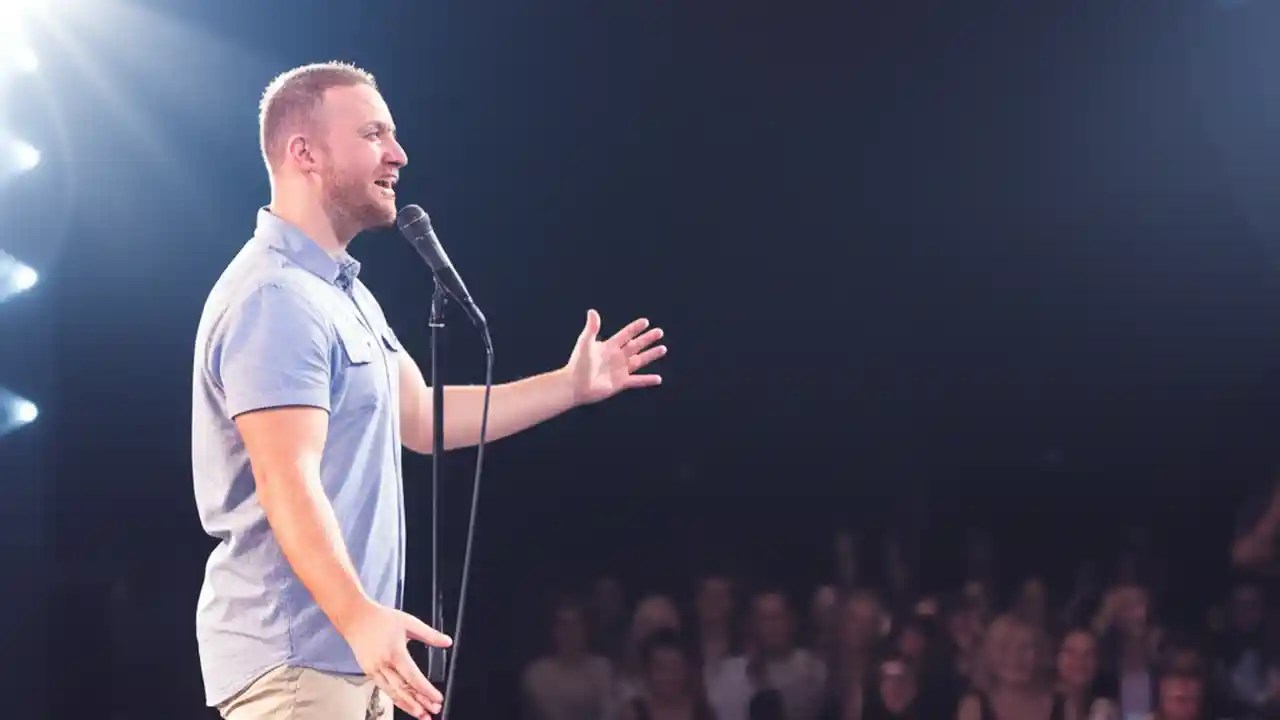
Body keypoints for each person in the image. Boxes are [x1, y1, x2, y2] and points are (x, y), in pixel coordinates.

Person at [191, 61, 668, 720]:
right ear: (304, 153)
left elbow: (421, 418)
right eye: (373, 134)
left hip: (354, 654)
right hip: (302, 656)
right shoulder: (276, 297)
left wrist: (568, 386)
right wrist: (359, 618)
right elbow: (285, 480)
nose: (398, 154)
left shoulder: (342, 293)